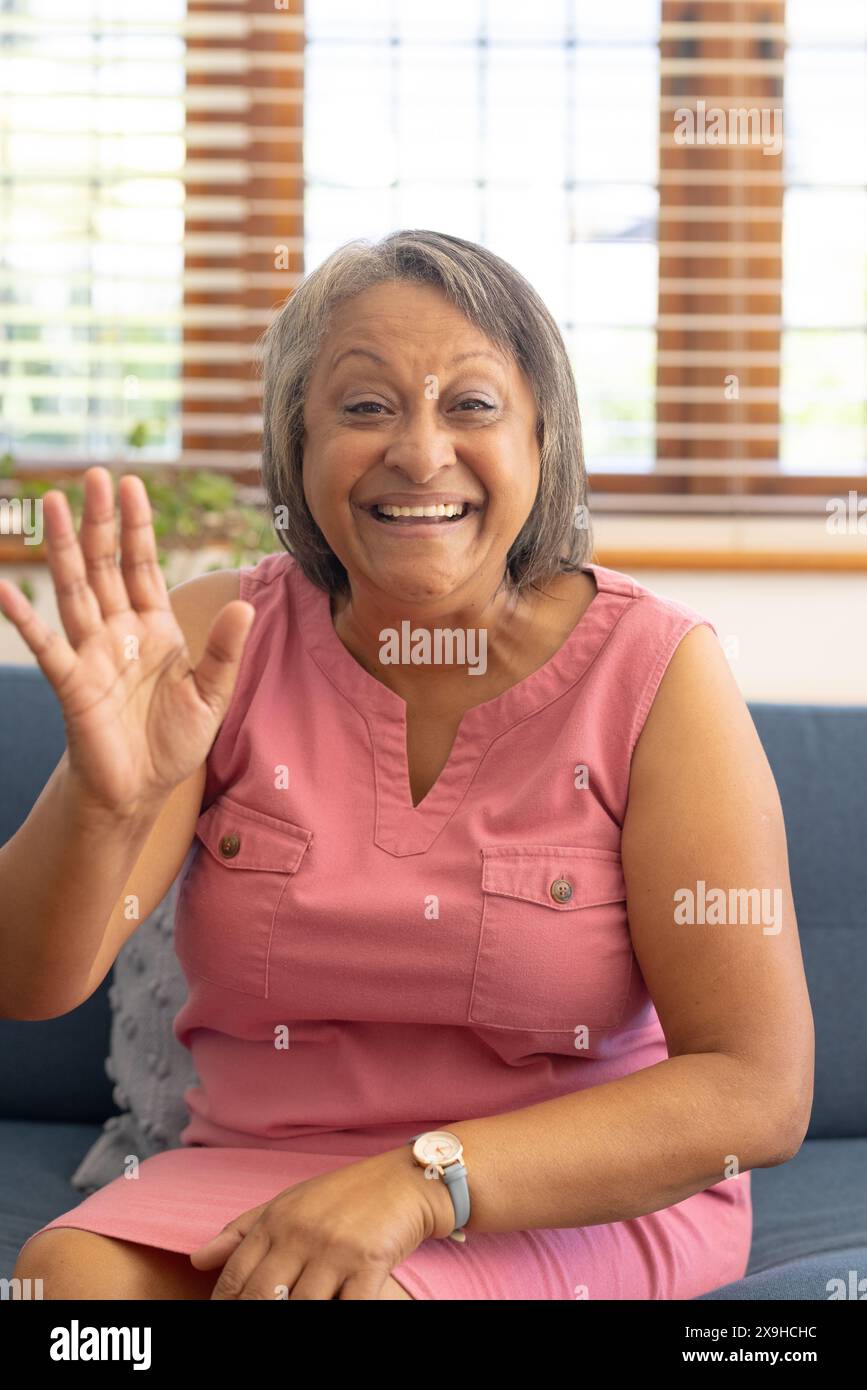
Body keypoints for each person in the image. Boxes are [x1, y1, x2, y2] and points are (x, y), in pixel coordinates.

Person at [2, 230, 813, 1300]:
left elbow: (756, 1089)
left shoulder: (656, 673)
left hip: (556, 1186)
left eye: (471, 406)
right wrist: (108, 801)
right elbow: (28, 982)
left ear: (542, 439)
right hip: (256, 1173)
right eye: (365, 407)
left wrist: (423, 1185)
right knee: (70, 1292)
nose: (421, 455)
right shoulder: (224, 638)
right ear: (297, 442)